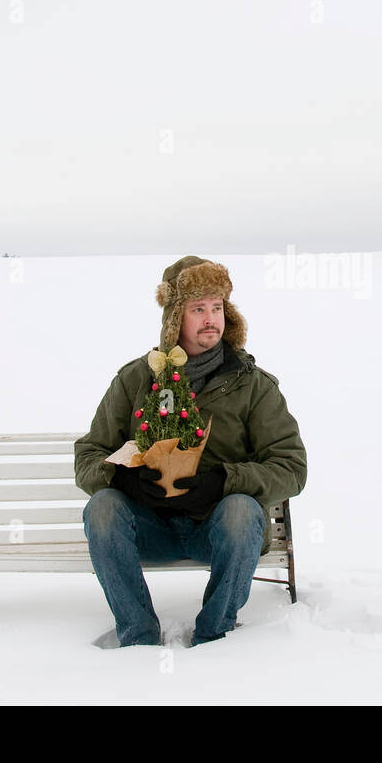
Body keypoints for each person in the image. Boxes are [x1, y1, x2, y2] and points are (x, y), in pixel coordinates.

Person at [75, 255, 307, 647]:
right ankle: (138, 635)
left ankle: (215, 635)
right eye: (198, 308)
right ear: (173, 318)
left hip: (215, 529)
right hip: (150, 527)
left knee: (240, 511)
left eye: (217, 308)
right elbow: (88, 456)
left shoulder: (252, 385)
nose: (210, 319)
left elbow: (291, 467)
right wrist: (121, 478)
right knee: (102, 507)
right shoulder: (136, 378)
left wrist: (225, 481)